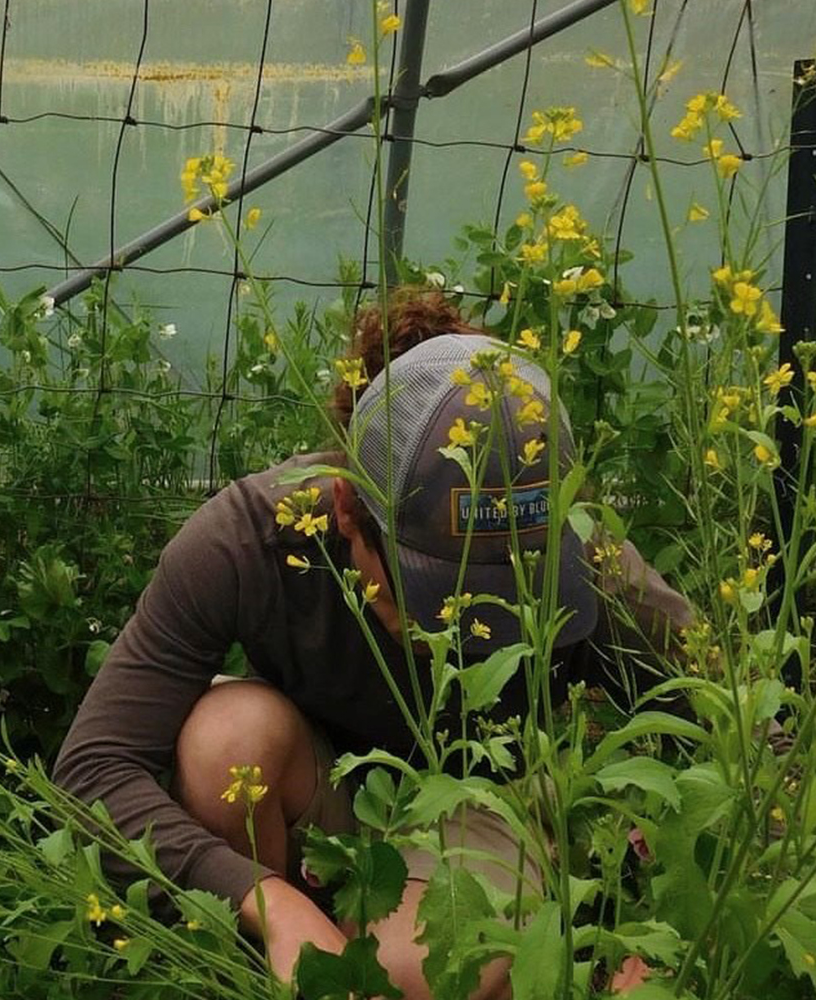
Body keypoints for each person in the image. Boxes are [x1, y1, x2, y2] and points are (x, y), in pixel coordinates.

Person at [52, 288, 691, 999]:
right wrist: (267, 901)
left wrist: (677, 935)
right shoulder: (249, 540)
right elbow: (93, 770)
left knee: (414, 978)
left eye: (510, 588)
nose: (460, 624)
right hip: (327, 797)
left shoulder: (586, 558)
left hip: (481, 798)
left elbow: (746, 738)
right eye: (434, 590)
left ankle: (421, 953)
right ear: (351, 512)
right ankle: (282, 944)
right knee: (224, 741)